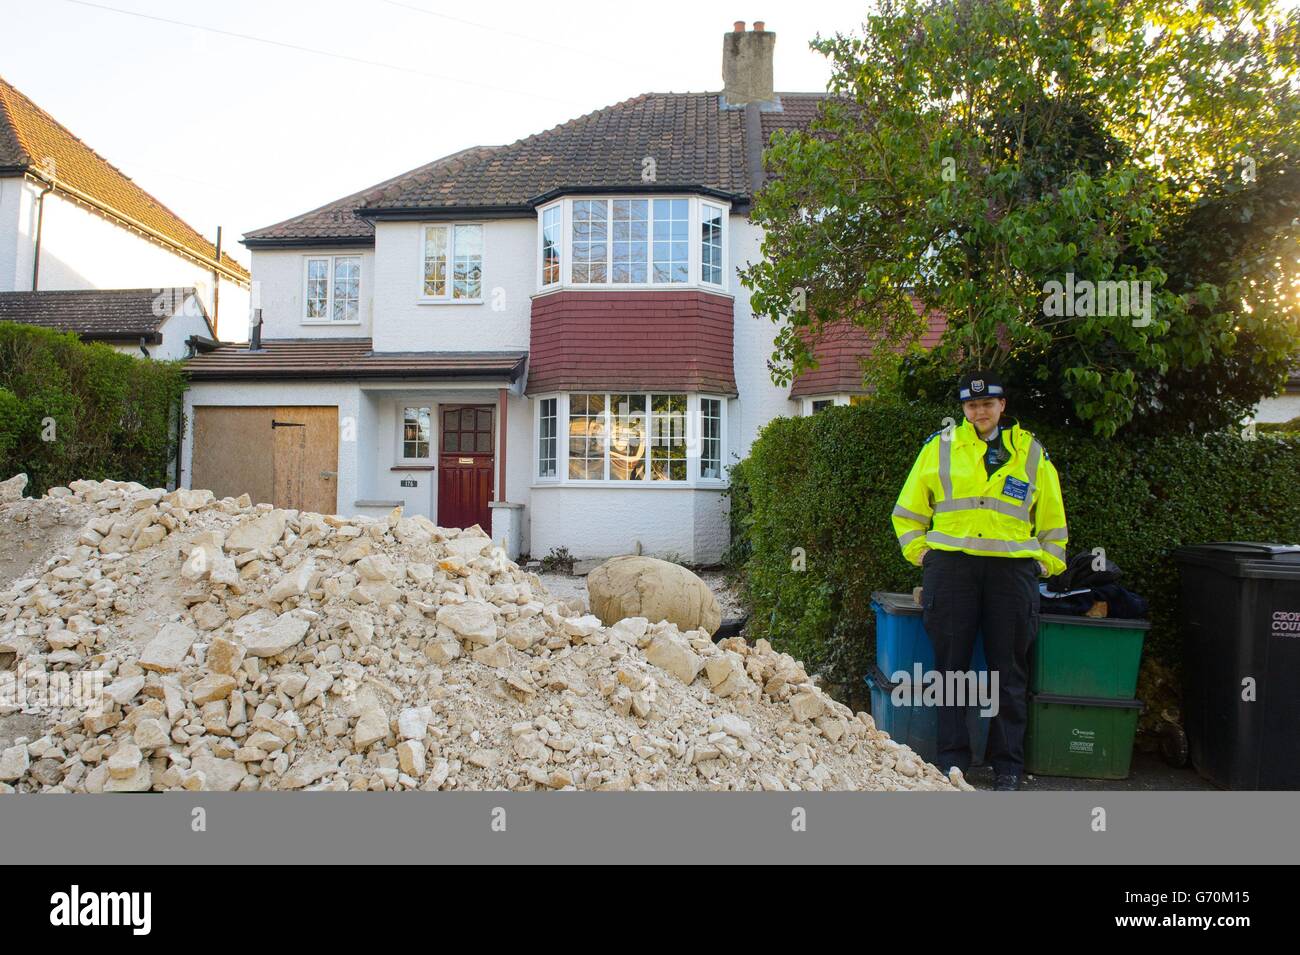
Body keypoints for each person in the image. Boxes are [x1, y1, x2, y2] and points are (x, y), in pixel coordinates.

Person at [891, 371, 1069, 791]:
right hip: (952, 570)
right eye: (971, 406)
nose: (980, 411)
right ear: (963, 410)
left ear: (1002, 406)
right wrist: (924, 554)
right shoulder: (940, 447)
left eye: (987, 404)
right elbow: (907, 511)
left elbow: (1053, 520)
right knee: (951, 668)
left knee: (1009, 670)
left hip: (1011, 573)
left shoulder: (1030, 453)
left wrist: (1043, 565)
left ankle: (1007, 765)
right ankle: (952, 760)